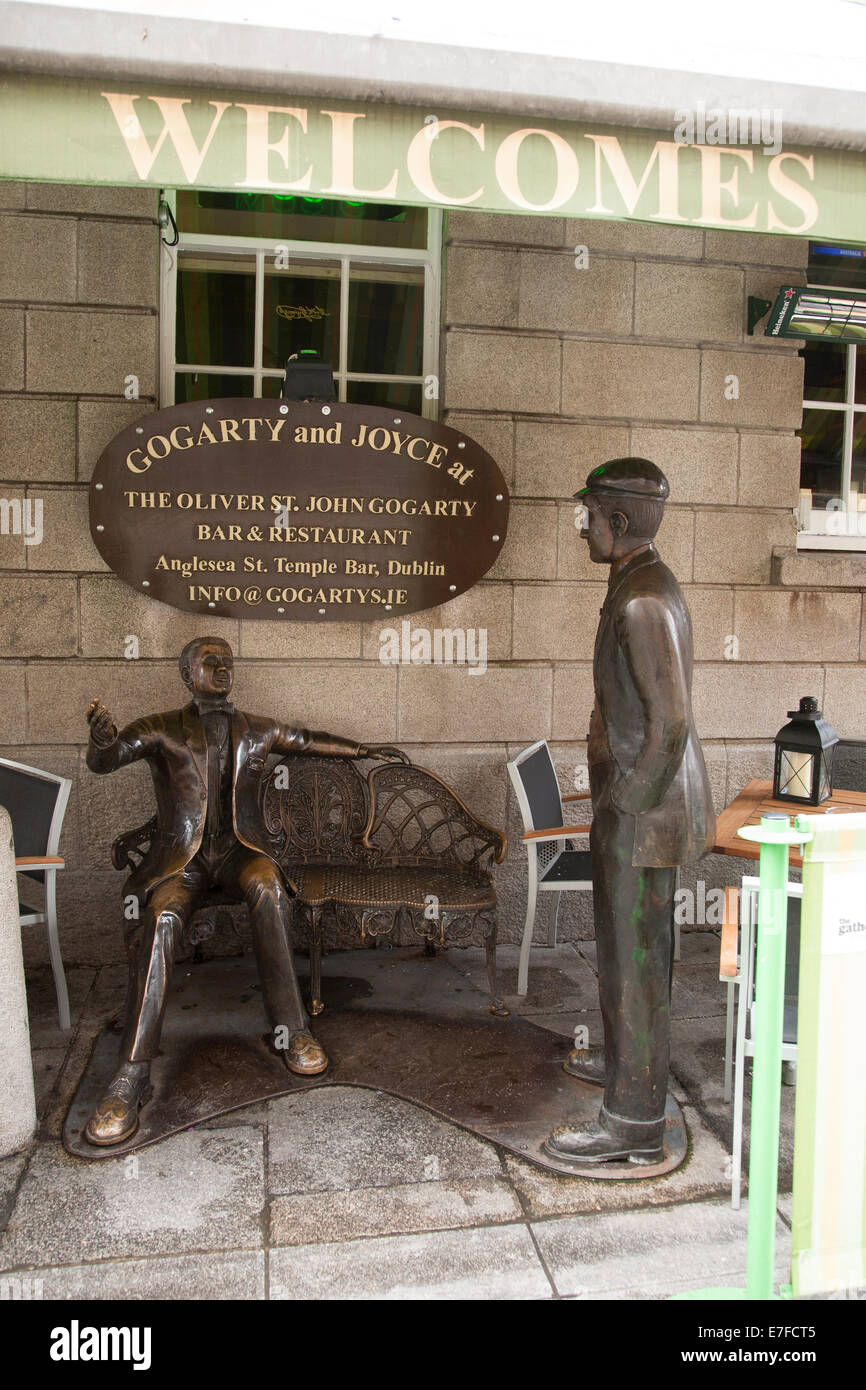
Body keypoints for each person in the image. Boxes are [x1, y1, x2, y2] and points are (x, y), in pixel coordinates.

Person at [84, 635, 402, 1146]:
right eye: (210, 661)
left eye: (228, 659)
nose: (222, 666)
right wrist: (102, 742)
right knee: (163, 917)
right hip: (182, 862)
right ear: (188, 674)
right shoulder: (161, 727)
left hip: (239, 853)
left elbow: (306, 739)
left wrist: (362, 750)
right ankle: (132, 1072)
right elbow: (108, 760)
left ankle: (293, 1031)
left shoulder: (256, 727)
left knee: (268, 886)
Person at [545, 458, 715, 1165]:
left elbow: (669, 723)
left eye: (588, 512)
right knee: (627, 960)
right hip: (640, 804)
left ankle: (633, 1122)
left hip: (644, 813)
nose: (578, 522)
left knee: (634, 965)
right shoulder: (636, 583)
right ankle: (629, 1071)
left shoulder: (643, 600)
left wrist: (624, 804)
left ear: (617, 522)